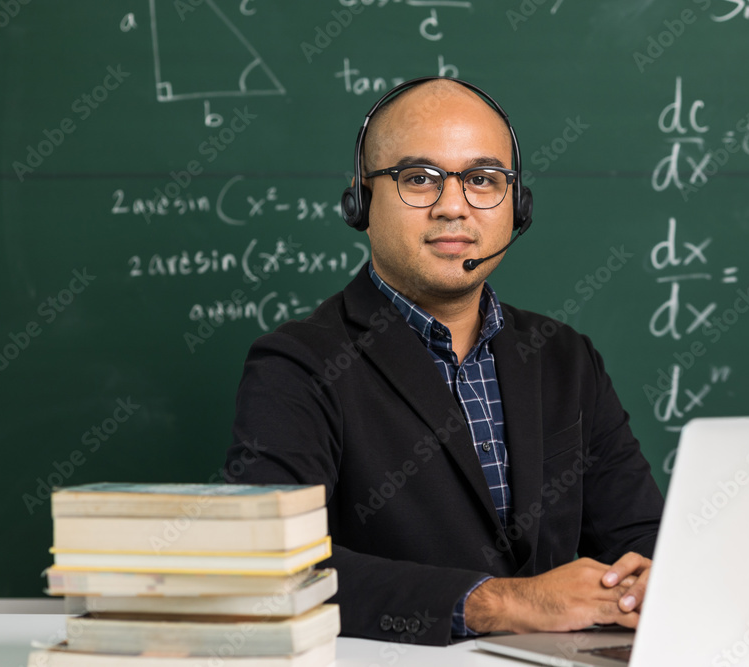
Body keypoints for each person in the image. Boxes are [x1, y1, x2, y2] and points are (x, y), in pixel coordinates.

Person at [225, 77, 664, 646]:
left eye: (483, 180)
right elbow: (273, 566)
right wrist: (500, 602)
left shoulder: (564, 357)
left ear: (518, 206)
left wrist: (651, 580)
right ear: (360, 200)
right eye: (418, 179)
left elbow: (643, 540)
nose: (453, 206)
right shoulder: (297, 365)